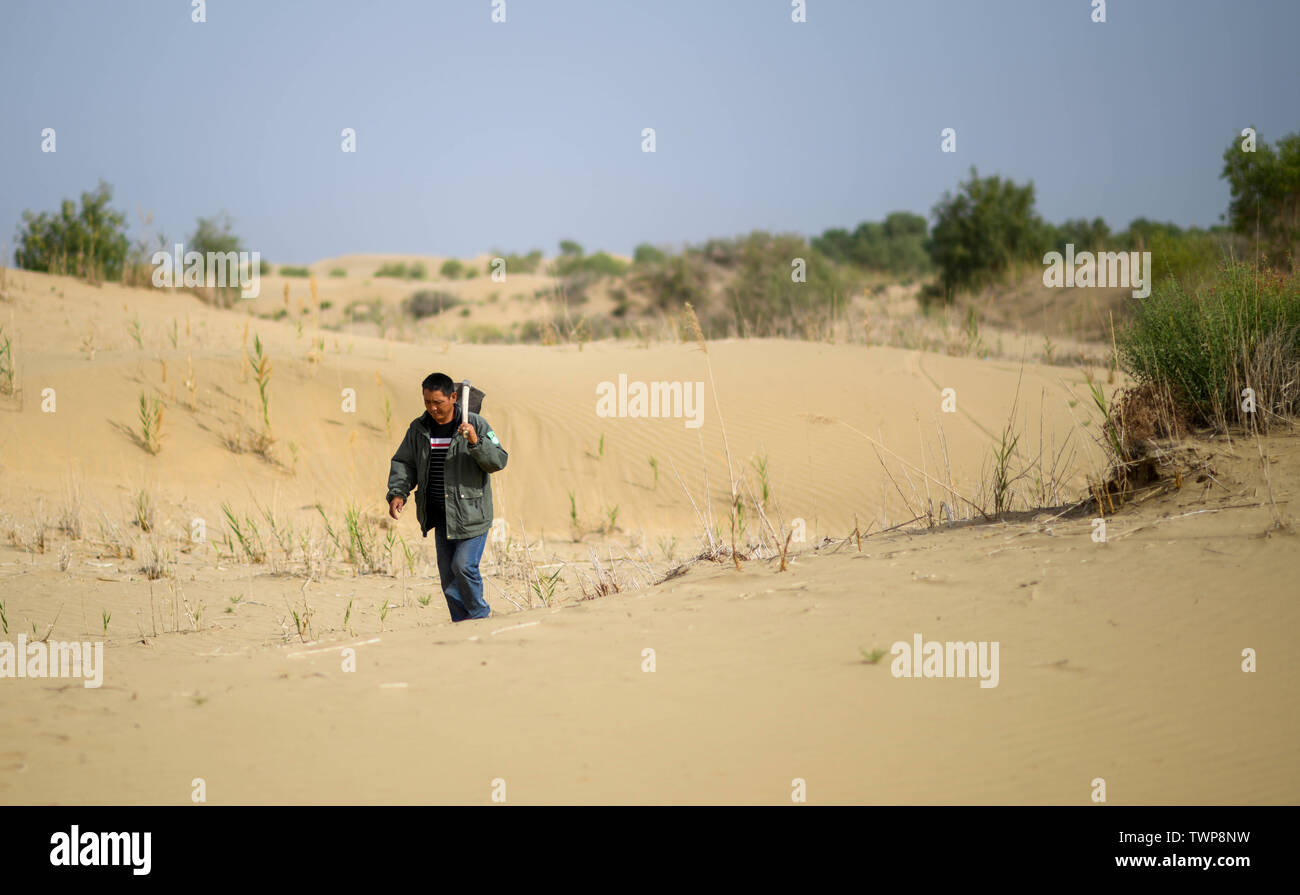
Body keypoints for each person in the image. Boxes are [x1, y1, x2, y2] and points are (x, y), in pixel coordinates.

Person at [386, 373, 508, 621]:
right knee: (449, 579)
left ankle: (480, 617)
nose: (432, 408)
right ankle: (461, 625)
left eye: (438, 402)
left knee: (463, 566)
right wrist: (398, 492)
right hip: (441, 515)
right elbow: (404, 463)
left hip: (472, 514)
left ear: (453, 397)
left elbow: (498, 460)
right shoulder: (419, 428)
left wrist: (475, 441)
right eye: (427, 402)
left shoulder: (476, 424)